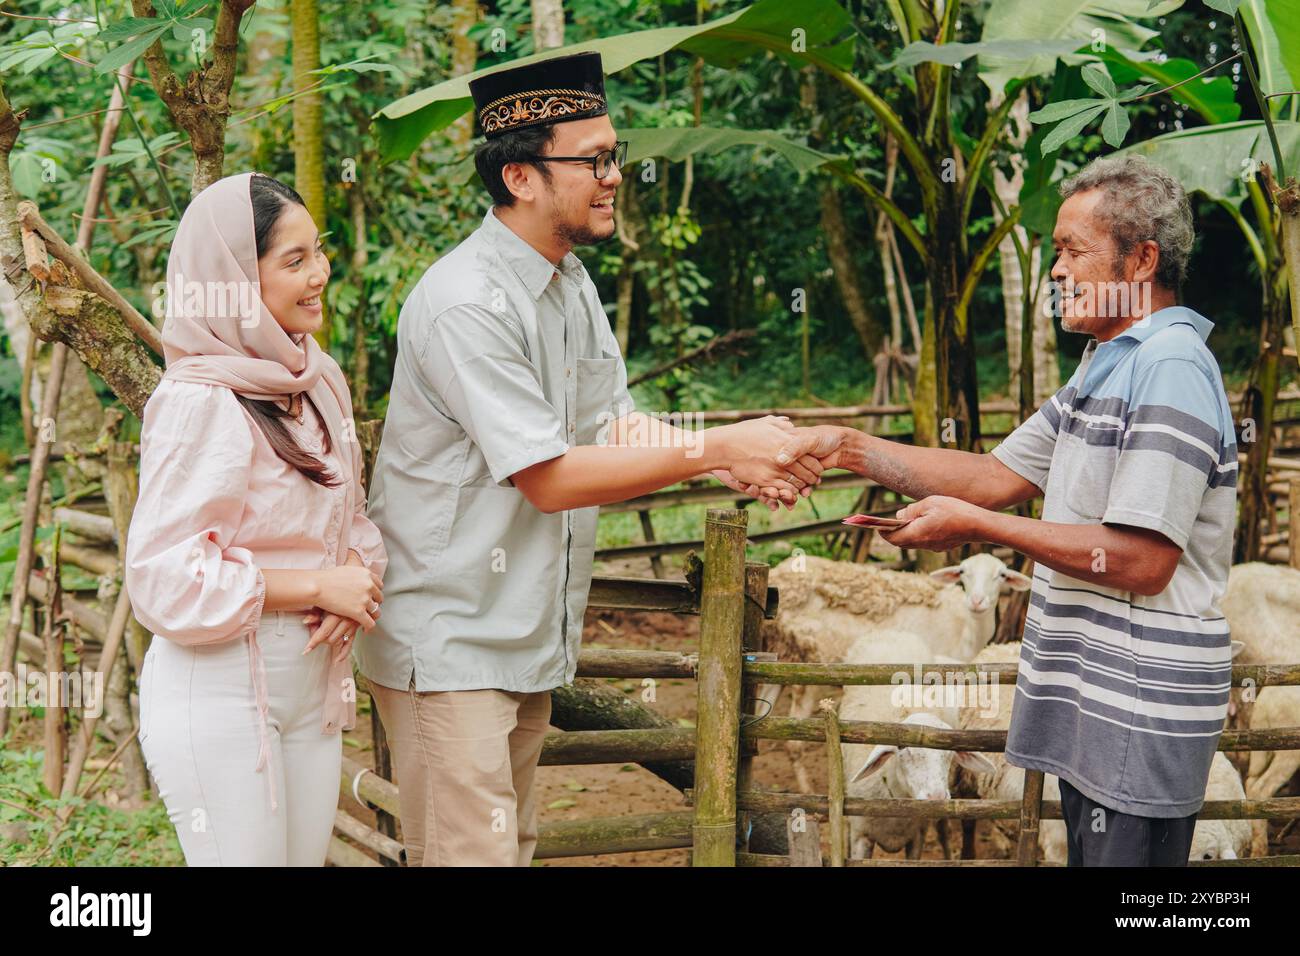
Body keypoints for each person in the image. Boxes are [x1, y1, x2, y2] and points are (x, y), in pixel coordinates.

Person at [358, 51, 823, 867]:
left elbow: (614, 427)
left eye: (616, 157)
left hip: (520, 631)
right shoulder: (466, 301)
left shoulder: (567, 282)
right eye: (595, 160)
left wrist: (728, 460)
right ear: (520, 177)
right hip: (450, 637)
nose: (613, 177)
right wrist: (716, 445)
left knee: (510, 846)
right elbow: (547, 478)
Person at [775, 155, 1236, 866]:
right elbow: (992, 475)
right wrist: (845, 447)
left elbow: (1142, 561)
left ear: (1142, 259)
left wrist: (977, 528)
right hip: (1096, 701)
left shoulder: (1168, 366)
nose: (1057, 270)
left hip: (1138, 713)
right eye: (1056, 251)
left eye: (1072, 250)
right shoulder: (1104, 363)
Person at [125, 172, 388, 866]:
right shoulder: (199, 400)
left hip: (310, 687)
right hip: (217, 689)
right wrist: (315, 588)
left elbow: (350, 520)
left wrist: (356, 572)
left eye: (319, 253)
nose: (319, 275)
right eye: (293, 261)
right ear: (237, 280)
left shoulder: (317, 379)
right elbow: (165, 578)